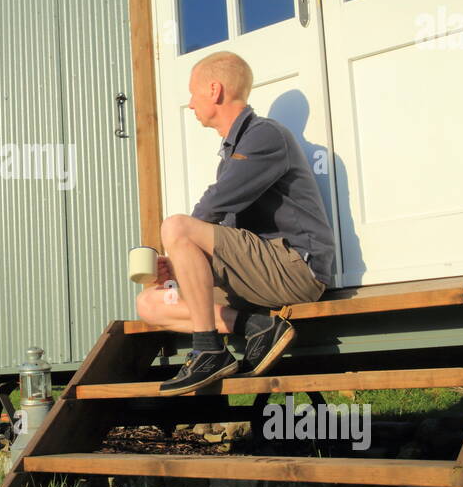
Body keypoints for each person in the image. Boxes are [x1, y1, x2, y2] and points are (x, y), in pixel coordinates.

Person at [135, 51, 336, 395]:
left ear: (214, 90)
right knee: (151, 303)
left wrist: (180, 241)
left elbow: (215, 205)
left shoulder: (265, 136)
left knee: (177, 226)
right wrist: (181, 265)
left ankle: (208, 350)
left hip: (294, 269)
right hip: (256, 275)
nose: (190, 102)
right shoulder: (233, 150)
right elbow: (225, 235)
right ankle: (256, 326)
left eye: (193, 92)